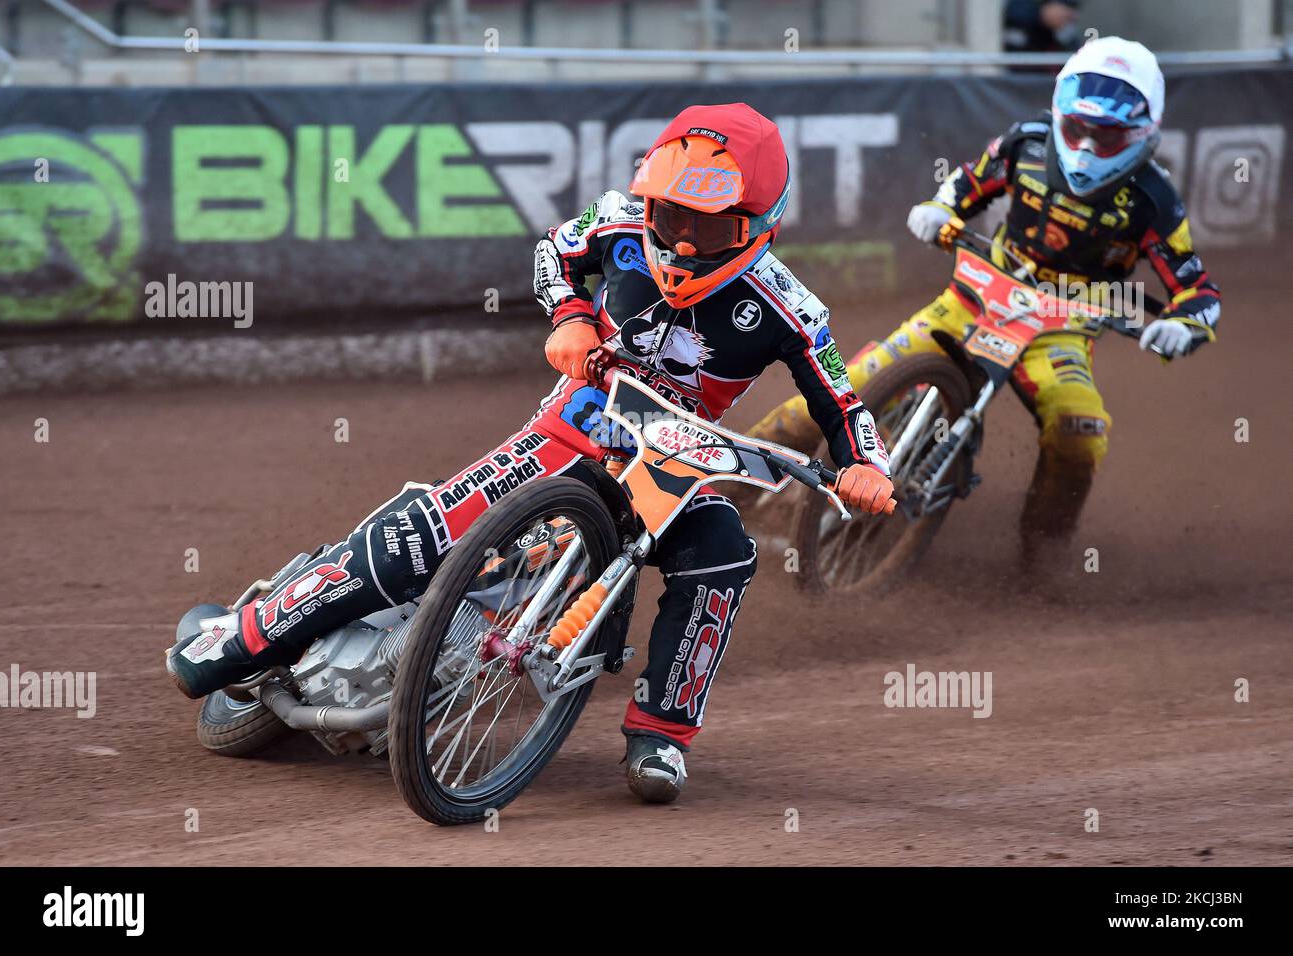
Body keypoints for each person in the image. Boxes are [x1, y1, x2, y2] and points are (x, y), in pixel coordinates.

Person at [166, 103, 895, 804]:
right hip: (577, 424)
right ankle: (241, 636)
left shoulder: (791, 309)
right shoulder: (615, 221)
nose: (681, 244)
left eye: (709, 228)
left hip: (677, 464)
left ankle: (662, 737)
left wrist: (868, 466)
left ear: (759, 227)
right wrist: (574, 316)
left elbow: (847, 405)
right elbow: (553, 250)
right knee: (424, 534)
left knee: (725, 556)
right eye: (671, 217)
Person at [747, 38, 1220, 563]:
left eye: (1105, 137)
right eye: (1077, 129)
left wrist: (1183, 324)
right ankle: (719, 493)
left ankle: (1045, 553)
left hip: (1059, 327)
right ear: (1060, 114)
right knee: (838, 390)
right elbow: (970, 181)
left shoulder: (1155, 198)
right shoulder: (1028, 142)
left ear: (1140, 135)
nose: (1085, 148)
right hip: (973, 295)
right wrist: (939, 206)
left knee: (1078, 428)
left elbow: (1196, 290)